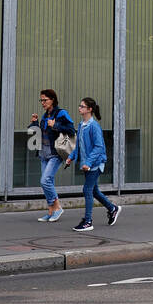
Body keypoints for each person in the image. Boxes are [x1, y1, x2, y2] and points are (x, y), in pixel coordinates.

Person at [67, 97, 119, 231]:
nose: (79, 108)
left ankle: (88, 221)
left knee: (87, 190)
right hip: (87, 164)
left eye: (82, 106)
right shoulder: (81, 125)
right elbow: (79, 145)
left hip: (95, 164)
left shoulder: (94, 126)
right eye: (80, 105)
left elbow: (99, 147)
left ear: (89, 109)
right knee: (94, 190)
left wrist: (89, 162)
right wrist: (71, 157)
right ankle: (112, 208)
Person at [29, 89, 74, 222]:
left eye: (45, 100)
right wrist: (34, 123)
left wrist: (56, 125)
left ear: (52, 100)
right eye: (41, 100)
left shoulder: (61, 113)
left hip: (55, 154)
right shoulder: (44, 115)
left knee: (45, 181)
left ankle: (58, 208)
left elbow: (71, 129)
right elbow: (39, 133)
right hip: (44, 154)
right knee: (48, 183)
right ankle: (50, 211)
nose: (42, 103)